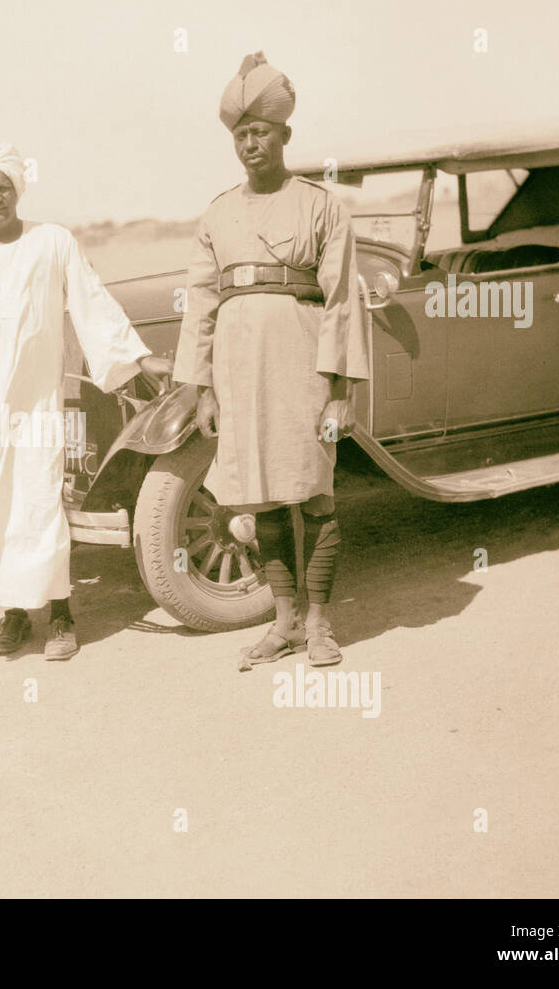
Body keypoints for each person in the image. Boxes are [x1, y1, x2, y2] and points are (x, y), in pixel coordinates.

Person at [0, 142, 172, 660]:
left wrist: (139, 359)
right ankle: (13, 618)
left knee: (38, 505)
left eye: (4, 187)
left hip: (35, 406)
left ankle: (60, 615)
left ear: (18, 190)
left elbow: (91, 301)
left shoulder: (52, 242)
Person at [172, 52, 370, 671]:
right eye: (240, 135)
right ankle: (282, 622)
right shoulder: (218, 212)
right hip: (236, 372)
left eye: (261, 132)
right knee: (259, 499)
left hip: (302, 366)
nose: (250, 144)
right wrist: (201, 387)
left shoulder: (322, 205)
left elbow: (341, 299)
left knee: (311, 492)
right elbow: (202, 302)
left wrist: (340, 389)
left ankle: (319, 623)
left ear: (285, 135)